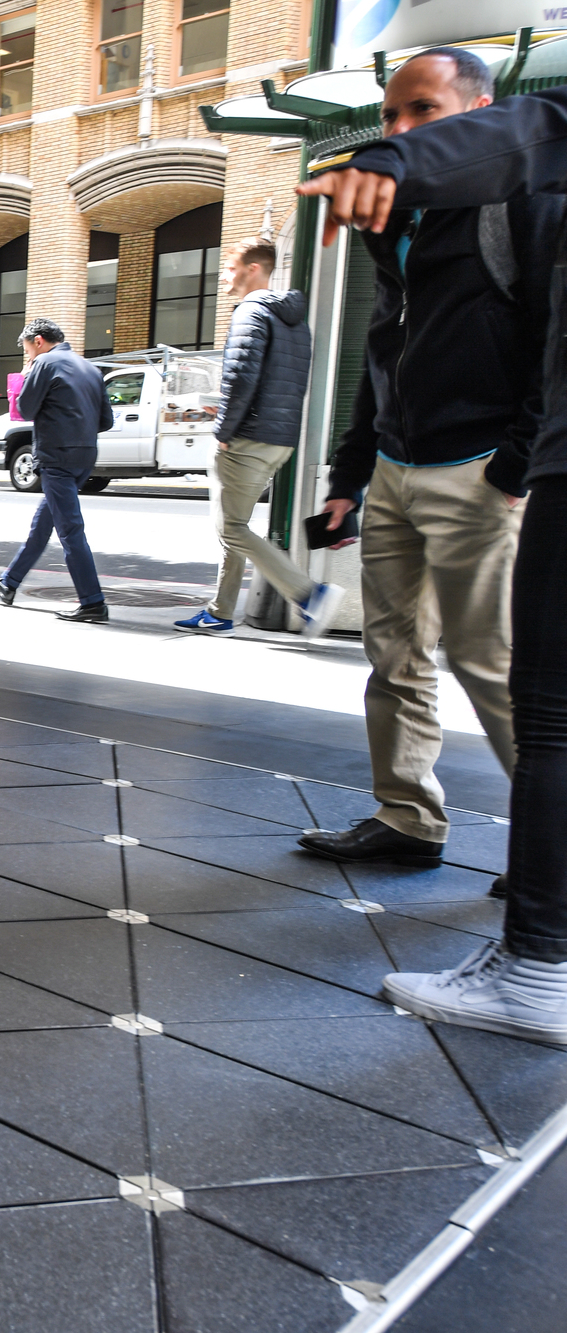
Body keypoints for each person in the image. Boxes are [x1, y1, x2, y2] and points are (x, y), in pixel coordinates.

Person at [297, 70, 567, 1044]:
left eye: (423, 112)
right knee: (394, 654)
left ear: (478, 116)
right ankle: (406, 817)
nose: (401, 128)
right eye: (390, 114)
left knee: (499, 671)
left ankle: (546, 868)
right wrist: (348, 473)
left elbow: (546, 340)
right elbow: (384, 350)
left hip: (476, 470)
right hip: (398, 466)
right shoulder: (399, 222)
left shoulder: (519, 201)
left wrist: (511, 466)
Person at [174, 239, 337, 637]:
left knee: (231, 529)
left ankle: (308, 594)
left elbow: (240, 377)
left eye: (230, 268)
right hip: (279, 438)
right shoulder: (293, 320)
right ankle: (220, 611)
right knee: (235, 524)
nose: (224, 276)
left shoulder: (251, 311)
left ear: (253, 269)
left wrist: (224, 430)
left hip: (247, 437)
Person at [0, 319, 112, 622]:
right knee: (43, 525)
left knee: (70, 531)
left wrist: (26, 375)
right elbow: (106, 421)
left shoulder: (43, 363)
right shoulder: (90, 368)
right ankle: (9, 582)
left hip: (57, 458)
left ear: (38, 341)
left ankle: (92, 602)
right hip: (84, 457)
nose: (28, 355)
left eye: (27, 349)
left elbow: (25, 410)